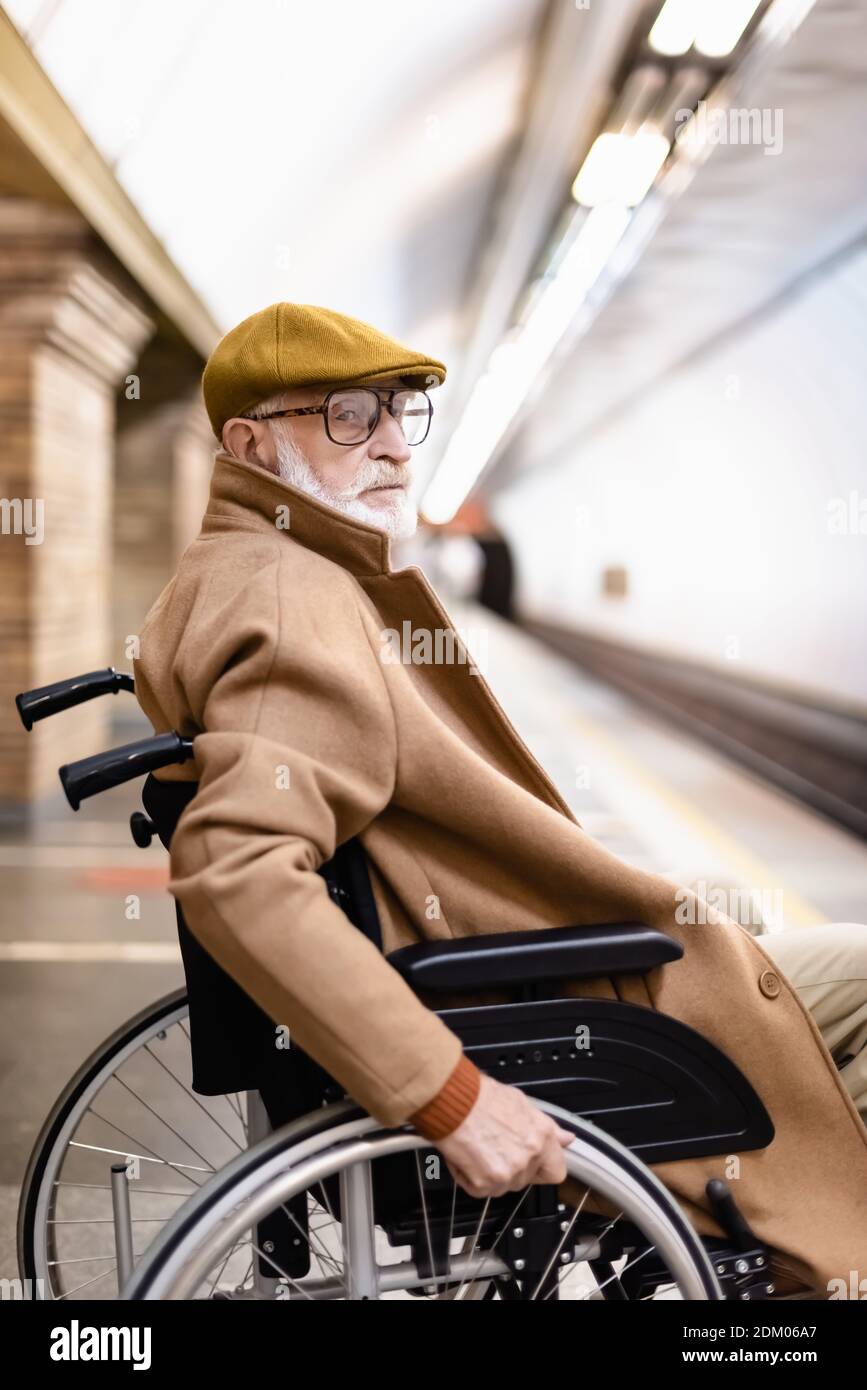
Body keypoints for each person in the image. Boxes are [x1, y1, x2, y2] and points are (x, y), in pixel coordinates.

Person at [133, 302, 867, 1292]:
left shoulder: (244, 567)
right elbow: (237, 868)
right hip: (542, 1001)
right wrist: (448, 1094)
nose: (393, 443)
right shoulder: (289, 596)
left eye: (399, 412)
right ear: (251, 443)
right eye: (349, 416)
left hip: (492, 967)